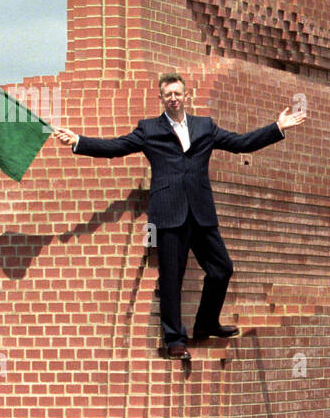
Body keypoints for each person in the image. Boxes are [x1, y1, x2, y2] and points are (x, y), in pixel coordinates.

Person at [52, 73, 307, 360]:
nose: (173, 98)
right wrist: (78, 141)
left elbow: (241, 143)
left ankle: (206, 323)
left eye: (177, 93)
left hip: (201, 212)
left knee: (222, 268)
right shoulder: (149, 130)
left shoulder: (204, 126)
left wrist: (277, 127)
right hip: (168, 214)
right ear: (161, 99)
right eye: (168, 94)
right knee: (171, 278)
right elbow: (116, 147)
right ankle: (175, 339)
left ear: (186, 96)